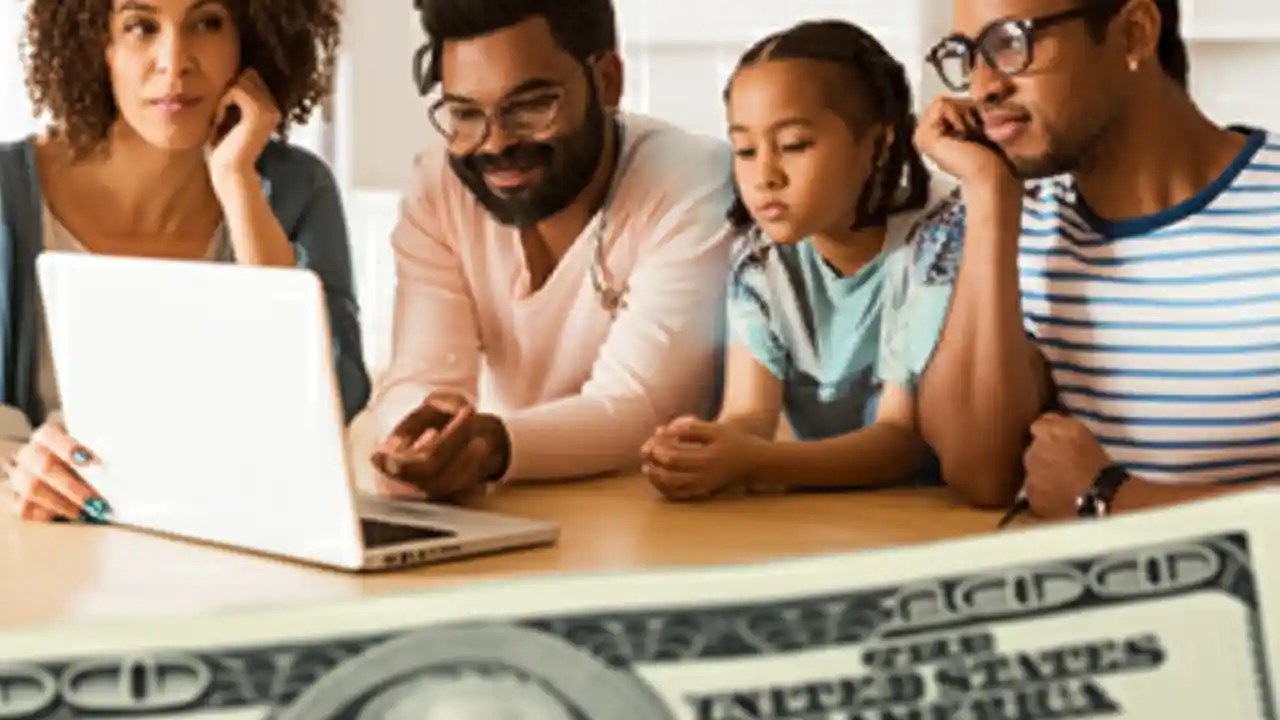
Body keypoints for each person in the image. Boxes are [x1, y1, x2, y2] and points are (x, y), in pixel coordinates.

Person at [0, 0, 370, 524]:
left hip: (239, 545)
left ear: (252, 36)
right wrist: (20, 471)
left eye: (208, 23)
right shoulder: (6, 197)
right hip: (50, 559)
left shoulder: (295, 189)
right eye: (141, 27)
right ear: (97, 44)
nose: (174, 63)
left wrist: (238, 184)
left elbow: (331, 402)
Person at [909, 0, 1280, 520]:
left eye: (1011, 42)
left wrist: (1114, 499)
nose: (982, 87)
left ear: (1133, 34)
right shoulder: (1026, 223)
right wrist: (990, 197)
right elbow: (982, 474)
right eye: (967, 55)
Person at [367, 0, 734, 500]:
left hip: (652, 517)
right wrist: (421, 435)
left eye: (530, 106)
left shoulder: (691, 182)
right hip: (512, 510)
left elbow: (642, 405)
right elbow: (420, 374)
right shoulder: (439, 183)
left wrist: (493, 446)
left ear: (606, 80)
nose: (494, 143)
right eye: (464, 113)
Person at [639, 20, 964, 501]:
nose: (764, 175)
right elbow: (749, 414)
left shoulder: (937, 240)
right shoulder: (759, 260)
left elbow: (902, 441)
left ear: (877, 143)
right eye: (745, 150)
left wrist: (752, 461)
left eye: (794, 145)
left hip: (935, 513)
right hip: (830, 518)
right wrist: (705, 449)